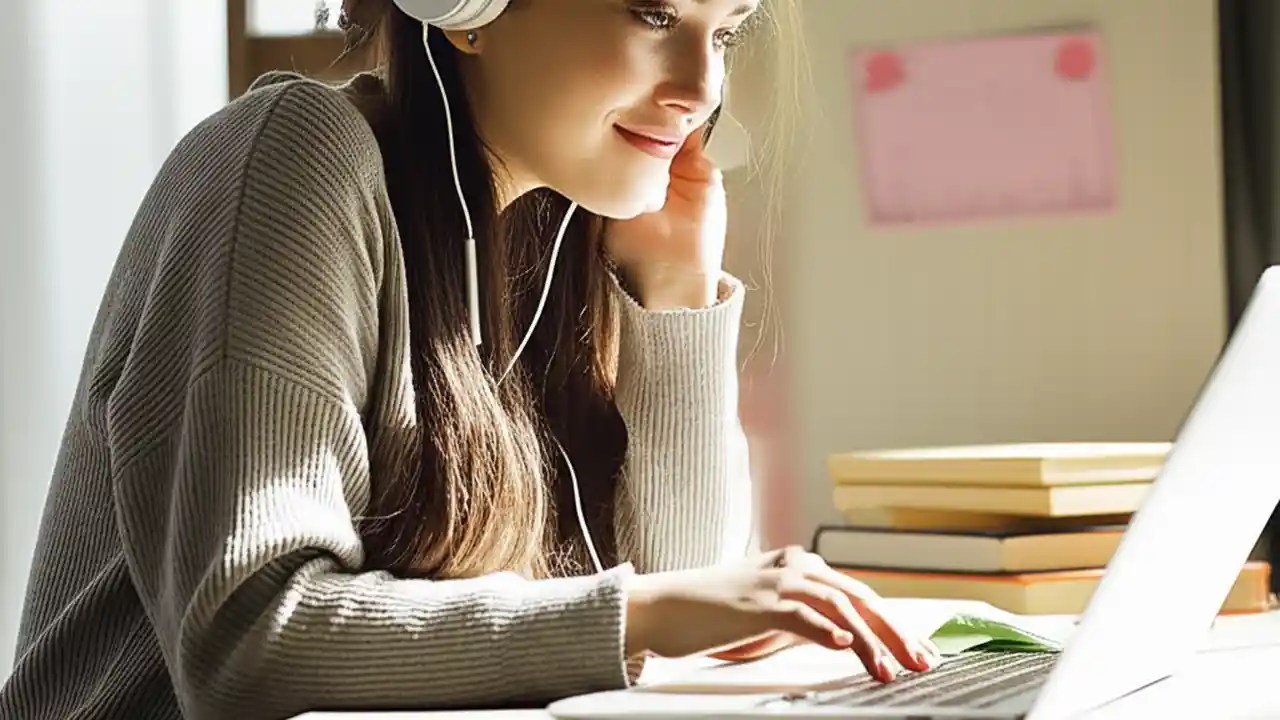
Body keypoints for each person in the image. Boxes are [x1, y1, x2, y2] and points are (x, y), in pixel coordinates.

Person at [0, 0, 939, 718]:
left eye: (725, 32)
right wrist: (639, 617)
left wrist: (677, 301)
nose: (701, 87)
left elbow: (687, 622)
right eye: (654, 14)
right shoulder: (292, 157)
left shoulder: (555, 236)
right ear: (469, 10)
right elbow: (249, 643)